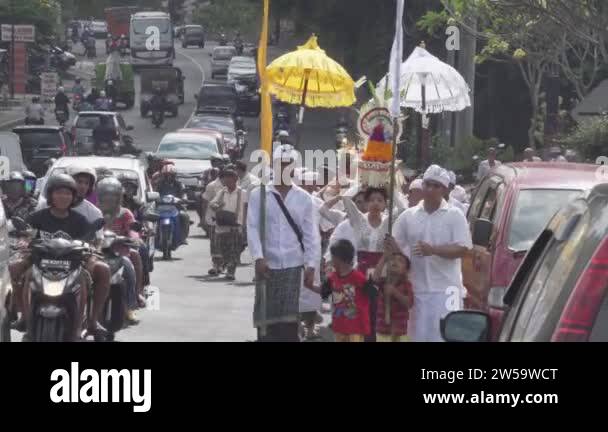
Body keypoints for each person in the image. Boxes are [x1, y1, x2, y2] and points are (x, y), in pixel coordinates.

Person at [17, 174, 111, 338]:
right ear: (51, 195)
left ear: (73, 197)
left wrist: (93, 252)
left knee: (102, 270)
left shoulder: (81, 220)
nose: (63, 197)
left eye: (67, 193)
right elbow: (27, 235)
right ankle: (25, 317)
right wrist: (24, 242)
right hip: (41, 264)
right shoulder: (38, 216)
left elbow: (93, 241)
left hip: (73, 266)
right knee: (20, 271)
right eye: (59, 192)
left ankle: (92, 321)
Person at [389, 165, 473, 342]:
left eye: (436, 186)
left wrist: (433, 250)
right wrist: (392, 248)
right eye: (427, 184)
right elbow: (397, 250)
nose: (430, 189)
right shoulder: (408, 216)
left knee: (445, 337)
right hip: (417, 289)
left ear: (444, 189)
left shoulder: (455, 215)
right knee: (417, 337)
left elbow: (463, 248)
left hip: (448, 290)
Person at [247, 144, 320, 342]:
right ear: (274, 166)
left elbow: (310, 234)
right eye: (281, 164)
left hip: (292, 264)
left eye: (289, 165)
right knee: (266, 316)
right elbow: (252, 227)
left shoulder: (304, 199)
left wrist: (311, 265)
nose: (285, 168)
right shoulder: (259, 194)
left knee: (288, 319)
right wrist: (258, 257)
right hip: (267, 264)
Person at [97, 177, 145, 321]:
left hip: (120, 251)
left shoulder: (125, 213)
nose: (109, 198)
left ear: (119, 196)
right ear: (99, 195)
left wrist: (134, 237)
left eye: (113, 195)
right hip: (96, 252)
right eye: (106, 194)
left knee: (132, 262)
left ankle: (132, 303)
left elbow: (132, 228)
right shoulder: (94, 211)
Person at [319, 239, 370, 342]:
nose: (331, 260)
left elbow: (372, 294)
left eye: (332, 257)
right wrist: (309, 285)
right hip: (339, 327)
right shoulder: (332, 278)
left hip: (356, 328)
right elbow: (323, 292)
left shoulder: (358, 277)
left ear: (339, 259)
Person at [209, 167, 247, 281]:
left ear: (235, 180)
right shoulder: (222, 192)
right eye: (226, 179)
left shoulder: (242, 193)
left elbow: (246, 208)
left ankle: (231, 272)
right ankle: (222, 265)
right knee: (223, 249)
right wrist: (216, 206)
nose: (227, 182)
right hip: (222, 225)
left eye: (230, 179)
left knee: (234, 250)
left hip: (236, 225)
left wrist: (244, 224)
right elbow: (212, 203)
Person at [372, 251, 414, 342]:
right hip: (383, 330)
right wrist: (384, 258)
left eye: (400, 261)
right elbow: (374, 278)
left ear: (405, 271)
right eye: (392, 260)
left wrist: (395, 292)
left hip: (400, 331)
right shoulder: (383, 282)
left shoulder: (406, 285)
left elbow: (409, 303)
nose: (395, 261)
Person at [156, 165, 190, 246]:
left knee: (185, 216)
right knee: (151, 217)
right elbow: (154, 193)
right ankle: (153, 236)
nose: (168, 177)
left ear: (174, 175)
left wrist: (183, 199)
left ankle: (183, 237)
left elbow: (184, 194)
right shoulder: (158, 184)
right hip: (160, 207)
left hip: (176, 207)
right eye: (166, 175)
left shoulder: (179, 184)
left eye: (171, 175)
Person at [203, 166, 225, 275]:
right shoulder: (211, 186)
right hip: (213, 219)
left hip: (228, 219)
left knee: (226, 243)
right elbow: (205, 202)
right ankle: (216, 265)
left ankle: (223, 265)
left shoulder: (234, 186)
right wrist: (203, 219)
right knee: (215, 243)